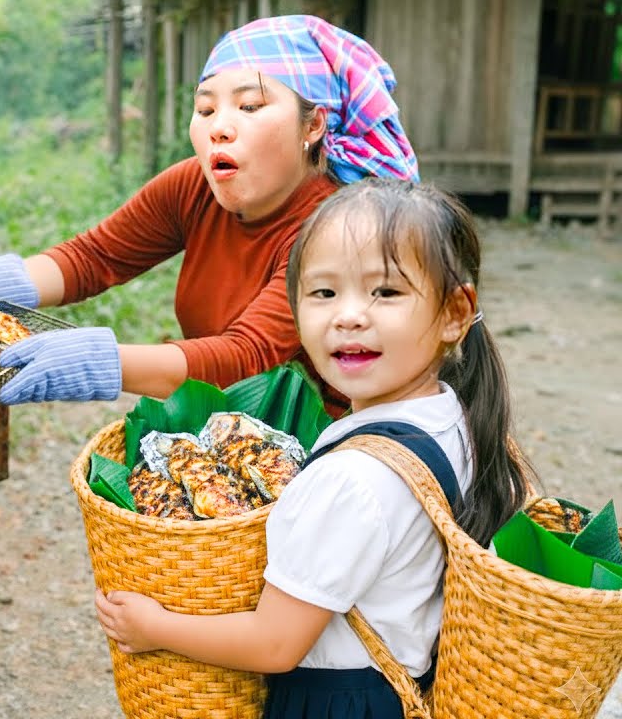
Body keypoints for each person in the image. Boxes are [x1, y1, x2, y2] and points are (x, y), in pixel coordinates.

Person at [94, 178, 534, 717]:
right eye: (324, 293)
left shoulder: (350, 481)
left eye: (385, 292)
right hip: (400, 685)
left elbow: (274, 643)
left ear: (454, 313)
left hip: (337, 701)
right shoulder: (453, 416)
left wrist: (154, 626)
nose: (349, 315)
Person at [0, 15, 419, 412]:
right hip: (229, 426)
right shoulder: (194, 186)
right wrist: (8, 281)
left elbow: (246, 357)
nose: (219, 127)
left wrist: (106, 362)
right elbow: (96, 257)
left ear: (313, 126)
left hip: (320, 444)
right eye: (205, 110)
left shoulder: (337, 227)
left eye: (249, 106)